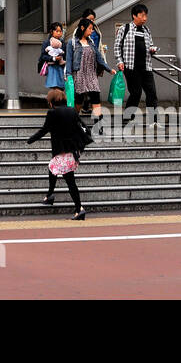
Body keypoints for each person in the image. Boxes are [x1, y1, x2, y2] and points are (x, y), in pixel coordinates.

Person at [26, 87, 89, 219]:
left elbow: (44, 130)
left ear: (51, 101)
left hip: (62, 152)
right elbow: (84, 128)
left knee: (70, 181)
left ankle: (79, 209)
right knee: (52, 168)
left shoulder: (52, 113)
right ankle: (49, 196)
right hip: (72, 151)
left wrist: (30, 140)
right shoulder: (72, 111)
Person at [114, 3, 160, 120]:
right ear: (134, 15)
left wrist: (152, 49)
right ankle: (128, 117)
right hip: (130, 67)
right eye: (142, 15)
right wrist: (120, 61)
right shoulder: (125, 29)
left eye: (146, 16)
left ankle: (153, 119)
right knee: (136, 92)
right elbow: (117, 46)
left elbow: (150, 45)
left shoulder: (146, 30)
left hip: (146, 67)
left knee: (152, 93)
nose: (145, 18)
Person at [70, 17, 112, 123]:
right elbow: (69, 60)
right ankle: (74, 119)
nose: (92, 31)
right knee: (79, 99)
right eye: (90, 28)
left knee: (95, 95)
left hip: (91, 74)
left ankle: (98, 122)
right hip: (79, 73)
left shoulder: (92, 42)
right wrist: (68, 75)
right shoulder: (73, 43)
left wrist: (109, 69)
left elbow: (99, 58)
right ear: (83, 28)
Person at [38, 21, 69, 95]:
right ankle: (54, 101)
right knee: (54, 86)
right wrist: (53, 58)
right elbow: (43, 56)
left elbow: (65, 55)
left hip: (61, 67)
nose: (59, 33)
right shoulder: (47, 43)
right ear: (52, 32)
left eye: (60, 31)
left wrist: (63, 60)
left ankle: (59, 101)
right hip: (52, 67)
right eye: (57, 31)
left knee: (61, 86)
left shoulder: (62, 43)